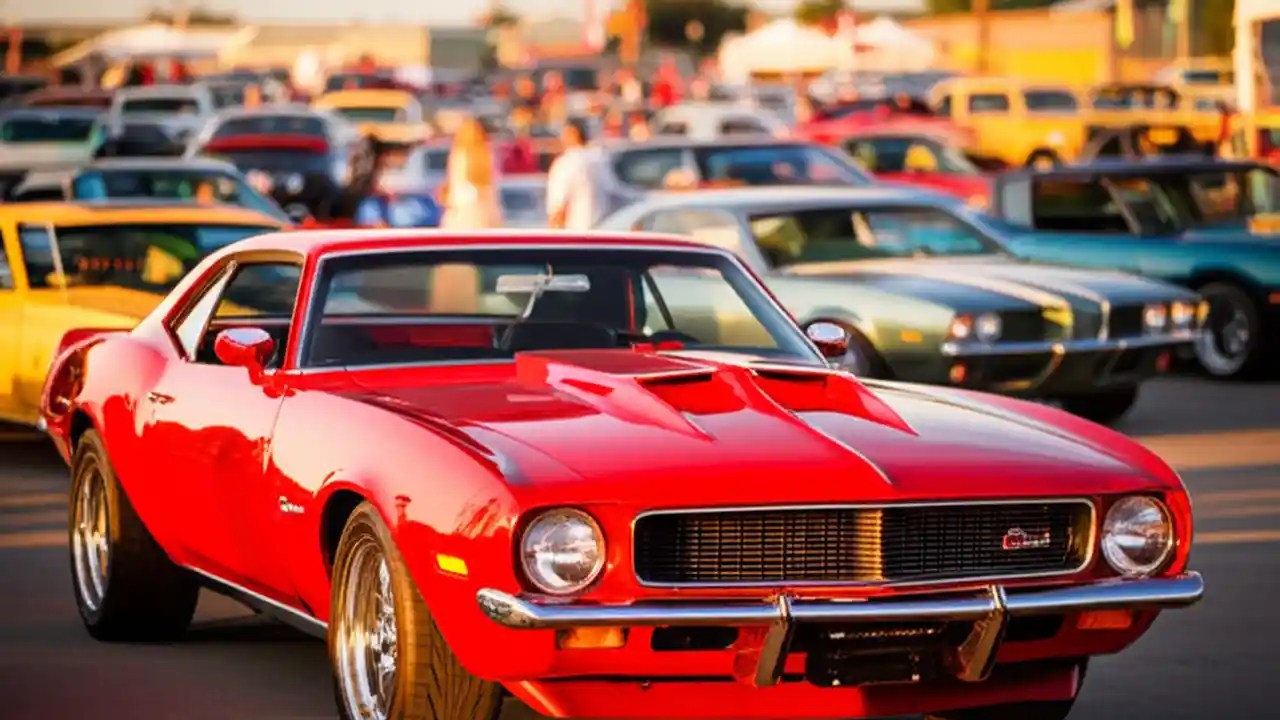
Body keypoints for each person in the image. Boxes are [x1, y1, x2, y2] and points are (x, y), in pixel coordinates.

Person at [439, 117, 503, 229]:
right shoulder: (488, 155)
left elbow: (456, 183)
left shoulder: (459, 155)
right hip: (484, 209)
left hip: (463, 208)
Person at [545, 118, 597, 230]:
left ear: (572, 133)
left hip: (577, 236)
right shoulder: (602, 160)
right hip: (606, 236)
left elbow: (558, 207)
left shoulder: (566, 163)